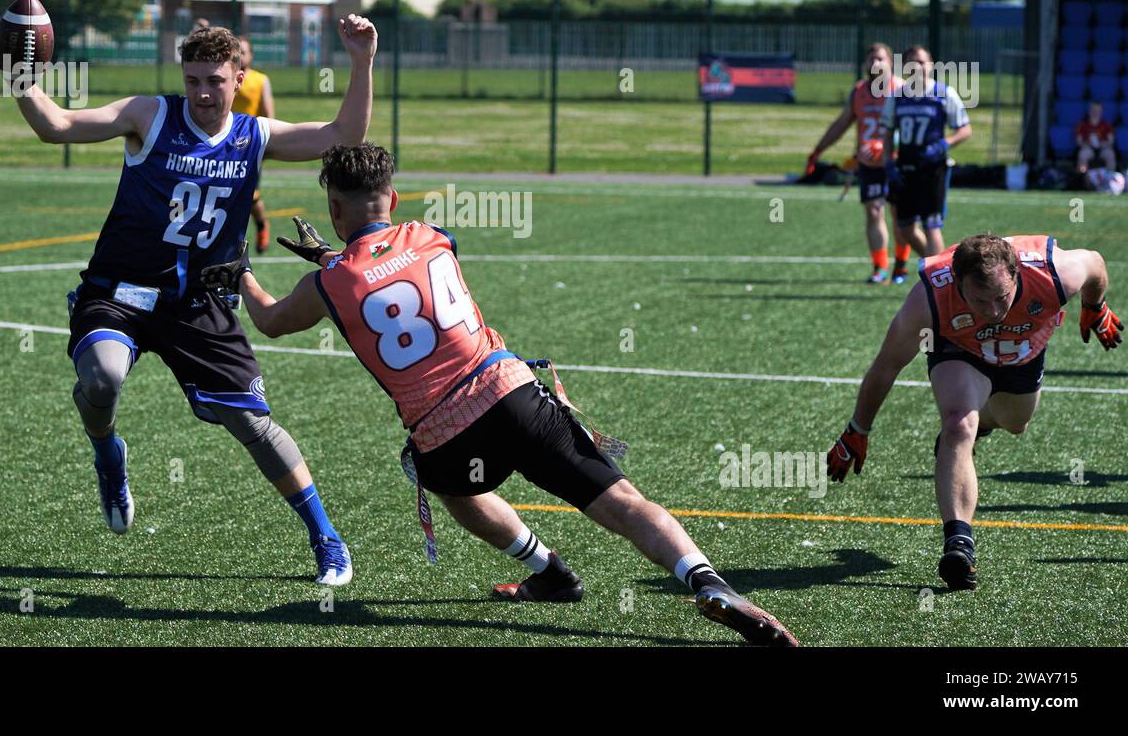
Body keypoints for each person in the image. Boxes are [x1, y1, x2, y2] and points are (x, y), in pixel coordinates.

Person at [203, 143, 800, 646]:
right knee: (623, 503)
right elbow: (395, 273)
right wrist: (344, 256)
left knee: (451, 488)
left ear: (333, 209)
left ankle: (550, 571)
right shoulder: (432, 236)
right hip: (510, 390)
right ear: (394, 198)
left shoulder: (330, 281)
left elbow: (277, 320)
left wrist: (243, 275)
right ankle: (707, 581)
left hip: (445, 429)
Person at [2, 15, 378, 586]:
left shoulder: (256, 136)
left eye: (215, 80)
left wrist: (362, 59)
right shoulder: (148, 115)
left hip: (198, 303)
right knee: (102, 378)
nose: (202, 92)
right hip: (119, 293)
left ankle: (325, 537)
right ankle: (107, 453)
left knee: (254, 424)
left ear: (240, 78)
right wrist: (18, 77)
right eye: (193, 79)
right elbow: (56, 126)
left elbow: (343, 136)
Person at [825, 233, 1120, 590]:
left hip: (1023, 352)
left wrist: (1094, 306)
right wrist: (858, 428)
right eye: (980, 300)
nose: (994, 312)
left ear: (1017, 275)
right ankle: (959, 544)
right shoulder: (930, 298)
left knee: (1016, 423)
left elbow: (1095, 263)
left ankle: (981, 426)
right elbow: (886, 366)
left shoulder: (1054, 272)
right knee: (958, 425)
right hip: (960, 352)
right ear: (957, 283)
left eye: (1002, 297)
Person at [806, 43, 910, 284]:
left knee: (900, 216)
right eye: (871, 58)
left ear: (890, 63)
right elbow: (841, 124)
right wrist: (817, 151)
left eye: (880, 58)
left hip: (897, 163)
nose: (875, 63)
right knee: (874, 211)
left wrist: (888, 144)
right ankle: (880, 267)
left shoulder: (902, 89)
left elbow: (910, 127)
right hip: (869, 165)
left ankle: (901, 266)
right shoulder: (859, 91)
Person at [880, 45, 972, 266]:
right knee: (905, 228)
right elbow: (888, 130)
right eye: (912, 62)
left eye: (921, 62)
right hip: (905, 167)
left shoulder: (943, 93)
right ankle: (938, 269)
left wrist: (943, 144)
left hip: (933, 168)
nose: (917, 67)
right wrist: (888, 163)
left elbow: (964, 129)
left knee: (931, 225)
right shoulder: (898, 95)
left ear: (931, 65)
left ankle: (937, 276)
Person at [230, 37, 276, 252]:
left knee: (250, 195)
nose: (240, 56)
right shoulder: (223, 78)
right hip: (224, 143)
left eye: (244, 52)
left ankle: (261, 225)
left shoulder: (260, 80)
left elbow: (268, 113)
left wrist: (267, 141)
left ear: (252, 55)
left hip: (248, 145)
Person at [1075, 100, 1117, 175]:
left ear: (1101, 111)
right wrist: (1087, 143)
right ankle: (1083, 178)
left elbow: (1111, 141)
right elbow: (1079, 142)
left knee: (1110, 154)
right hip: (1088, 148)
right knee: (1082, 155)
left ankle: (1109, 179)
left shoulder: (1107, 125)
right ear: (1090, 110)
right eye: (1094, 109)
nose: (1096, 112)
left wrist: (1103, 144)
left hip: (1103, 148)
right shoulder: (1082, 125)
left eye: (1098, 110)